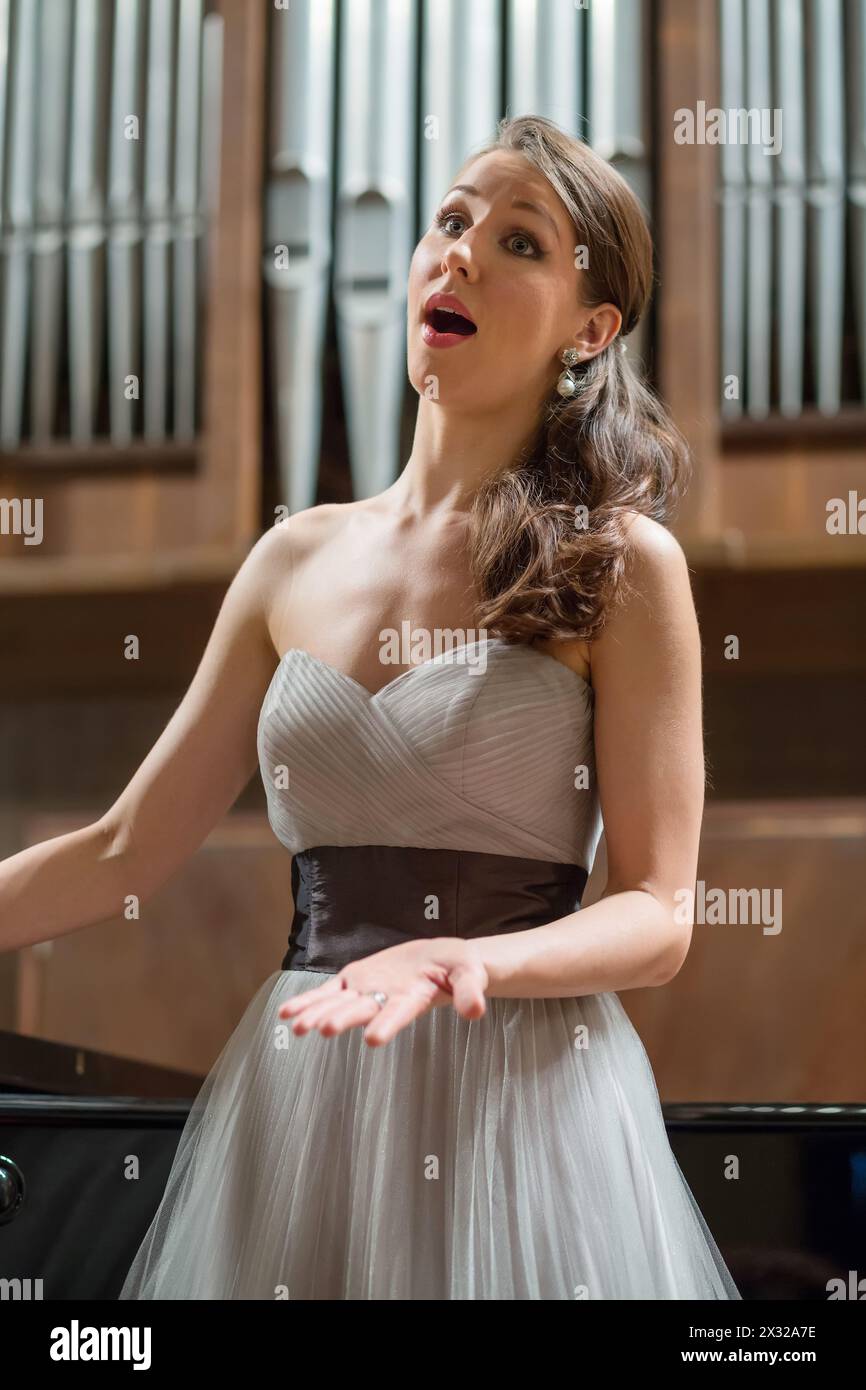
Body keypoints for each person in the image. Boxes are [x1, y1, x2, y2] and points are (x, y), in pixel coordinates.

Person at [0, 115, 741, 1300]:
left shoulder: (623, 566)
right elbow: (122, 848)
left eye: (518, 243)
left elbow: (658, 913)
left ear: (588, 331)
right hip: (303, 1095)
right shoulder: (289, 559)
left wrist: (467, 956)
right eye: (448, 222)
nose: (458, 255)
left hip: (526, 1103)